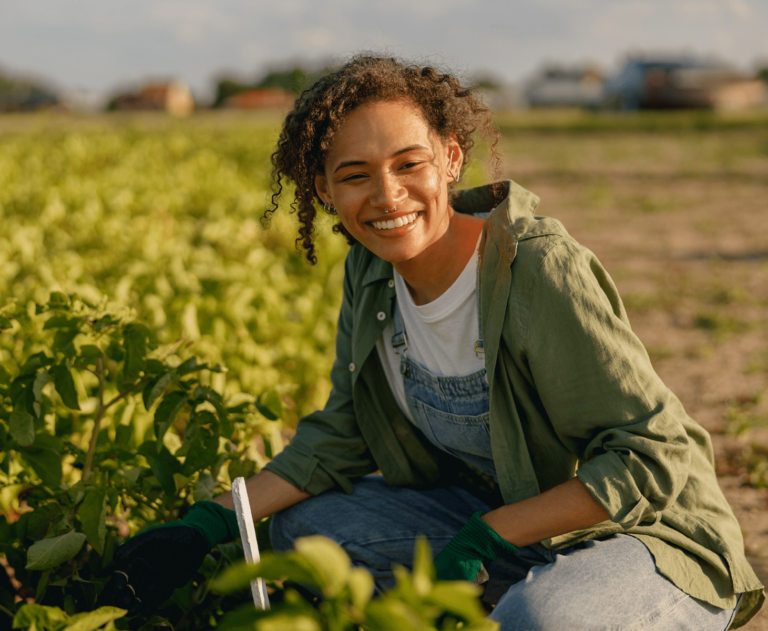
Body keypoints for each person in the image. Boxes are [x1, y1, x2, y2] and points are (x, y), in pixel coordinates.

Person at [101, 56, 764, 629]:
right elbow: (344, 432)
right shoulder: (371, 274)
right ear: (324, 190)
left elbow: (652, 458)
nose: (387, 196)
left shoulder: (536, 269)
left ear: (450, 158)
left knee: (542, 618)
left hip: (644, 537)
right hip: (515, 530)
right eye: (354, 175)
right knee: (304, 532)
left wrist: (490, 534)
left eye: (408, 163)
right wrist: (208, 523)